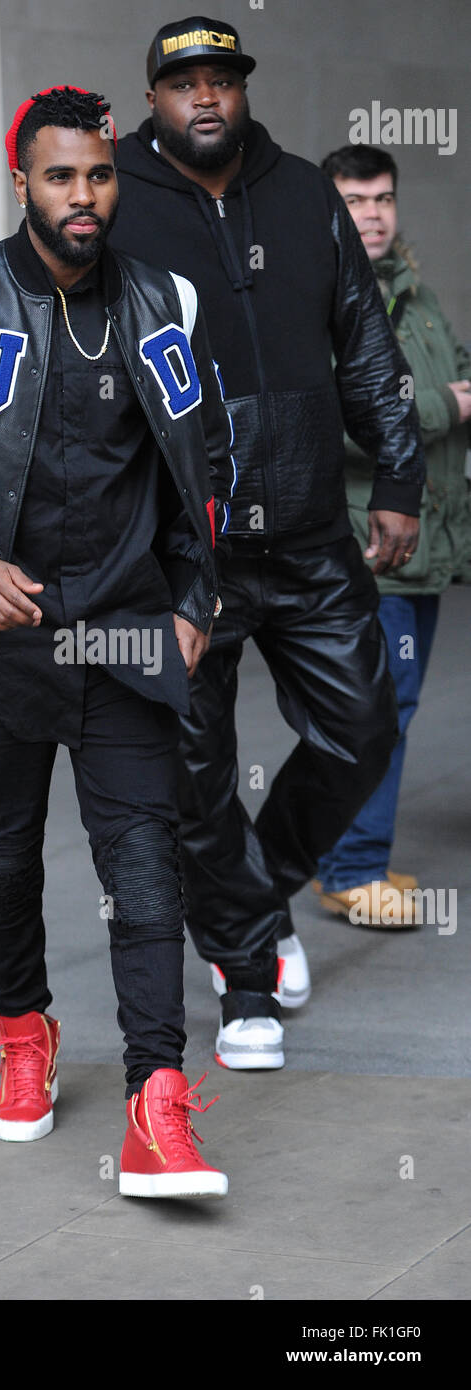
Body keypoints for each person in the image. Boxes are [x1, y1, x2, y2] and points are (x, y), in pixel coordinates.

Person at [0, 86, 234, 1199]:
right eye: (60, 176)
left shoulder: (166, 297)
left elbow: (205, 466)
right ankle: (24, 1029)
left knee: (145, 868)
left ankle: (156, 1102)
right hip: (3, 631)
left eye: (99, 174)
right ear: (21, 179)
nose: (84, 197)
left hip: (130, 632)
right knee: (5, 844)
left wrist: (191, 605)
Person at [109, 17, 425, 1069]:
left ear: (243, 92)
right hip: (178, 549)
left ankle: (252, 891)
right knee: (194, 771)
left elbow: (368, 349)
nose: (206, 98)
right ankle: (247, 974)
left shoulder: (304, 198)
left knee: (363, 729)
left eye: (222, 81)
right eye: (184, 82)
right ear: (153, 98)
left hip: (306, 535)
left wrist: (398, 478)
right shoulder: (115, 203)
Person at [312, 144, 471, 924]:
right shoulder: (321, 292)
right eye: (353, 200)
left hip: (425, 541)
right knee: (375, 706)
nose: (371, 214)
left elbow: (452, 371)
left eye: (381, 199)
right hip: (369, 544)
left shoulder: (413, 290)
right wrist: (448, 405)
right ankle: (351, 868)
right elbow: (334, 419)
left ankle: (351, 859)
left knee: (392, 704)